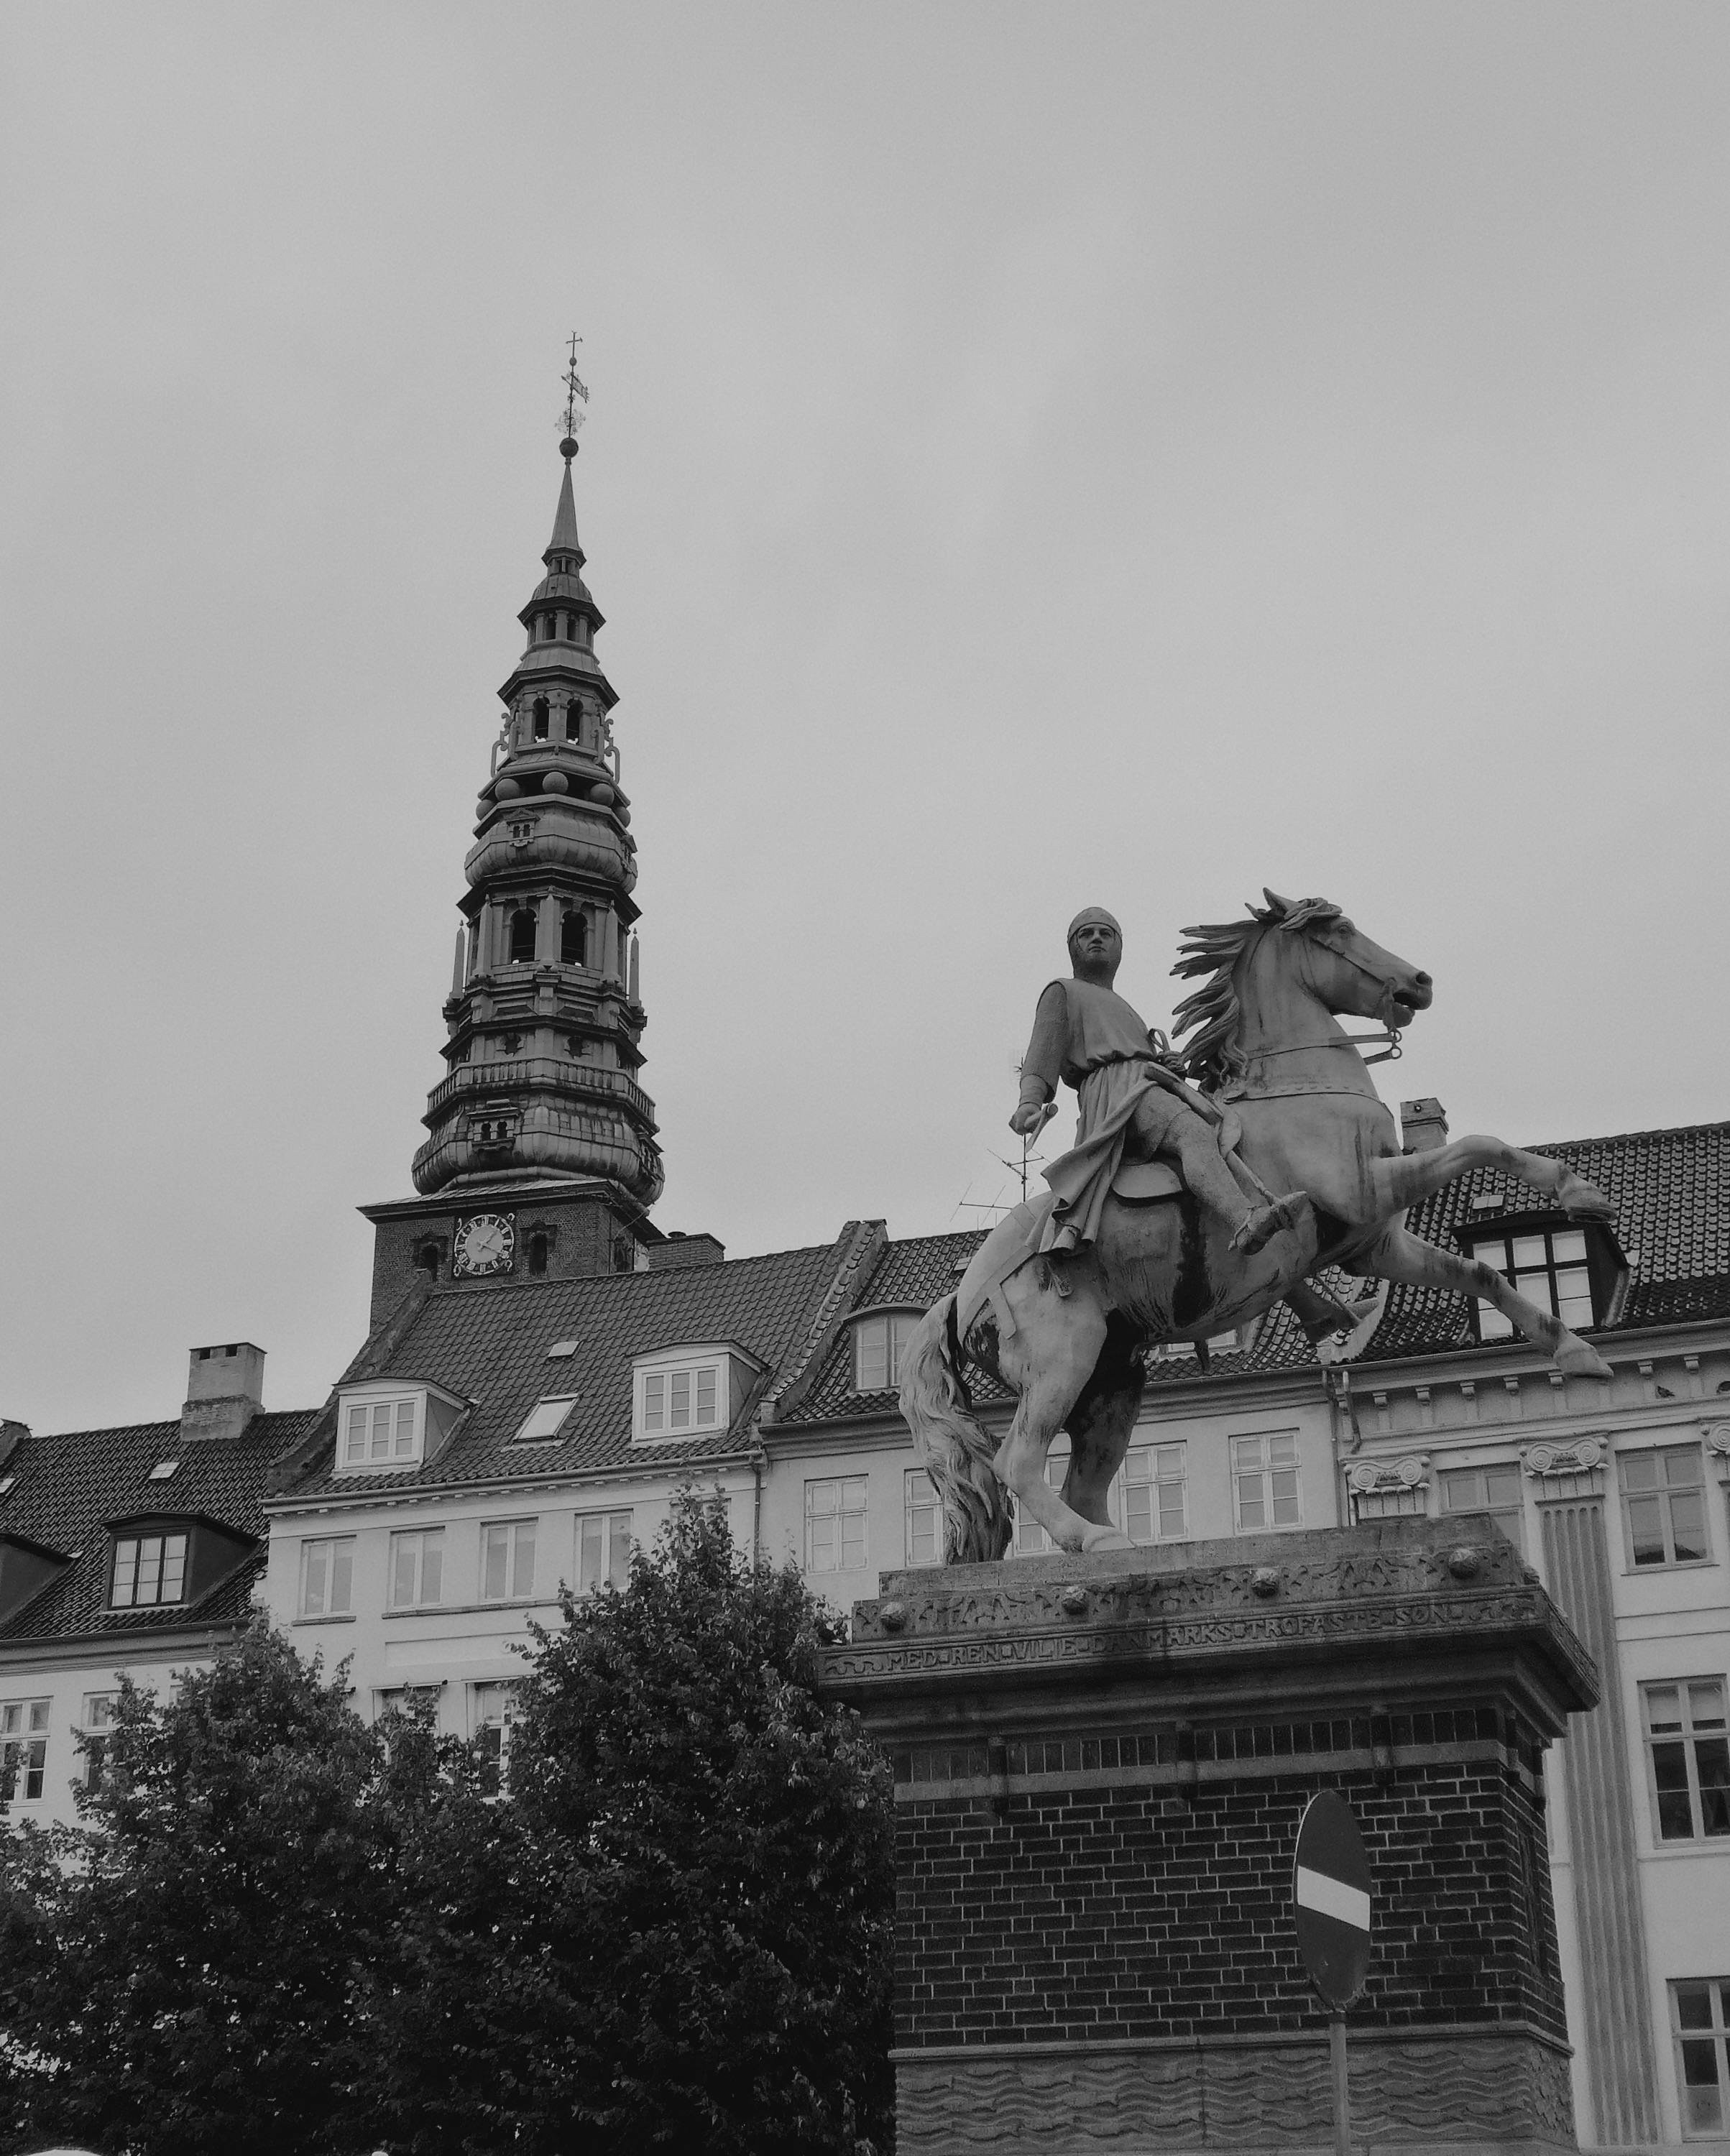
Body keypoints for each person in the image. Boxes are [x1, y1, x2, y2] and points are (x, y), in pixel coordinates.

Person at [1011, 906, 1304, 1256]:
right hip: (1118, 1092)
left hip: (1149, 1084)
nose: (1096, 939)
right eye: (1086, 934)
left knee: (1229, 1130)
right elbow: (1042, 1053)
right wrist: (1029, 1103)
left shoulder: (1126, 1008)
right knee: (1192, 1132)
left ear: (1119, 948)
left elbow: (1137, 1056)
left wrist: (1168, 1064)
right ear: (1073, 948)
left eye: (1105, 933)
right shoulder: (1063, 991)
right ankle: (1245, 1220)